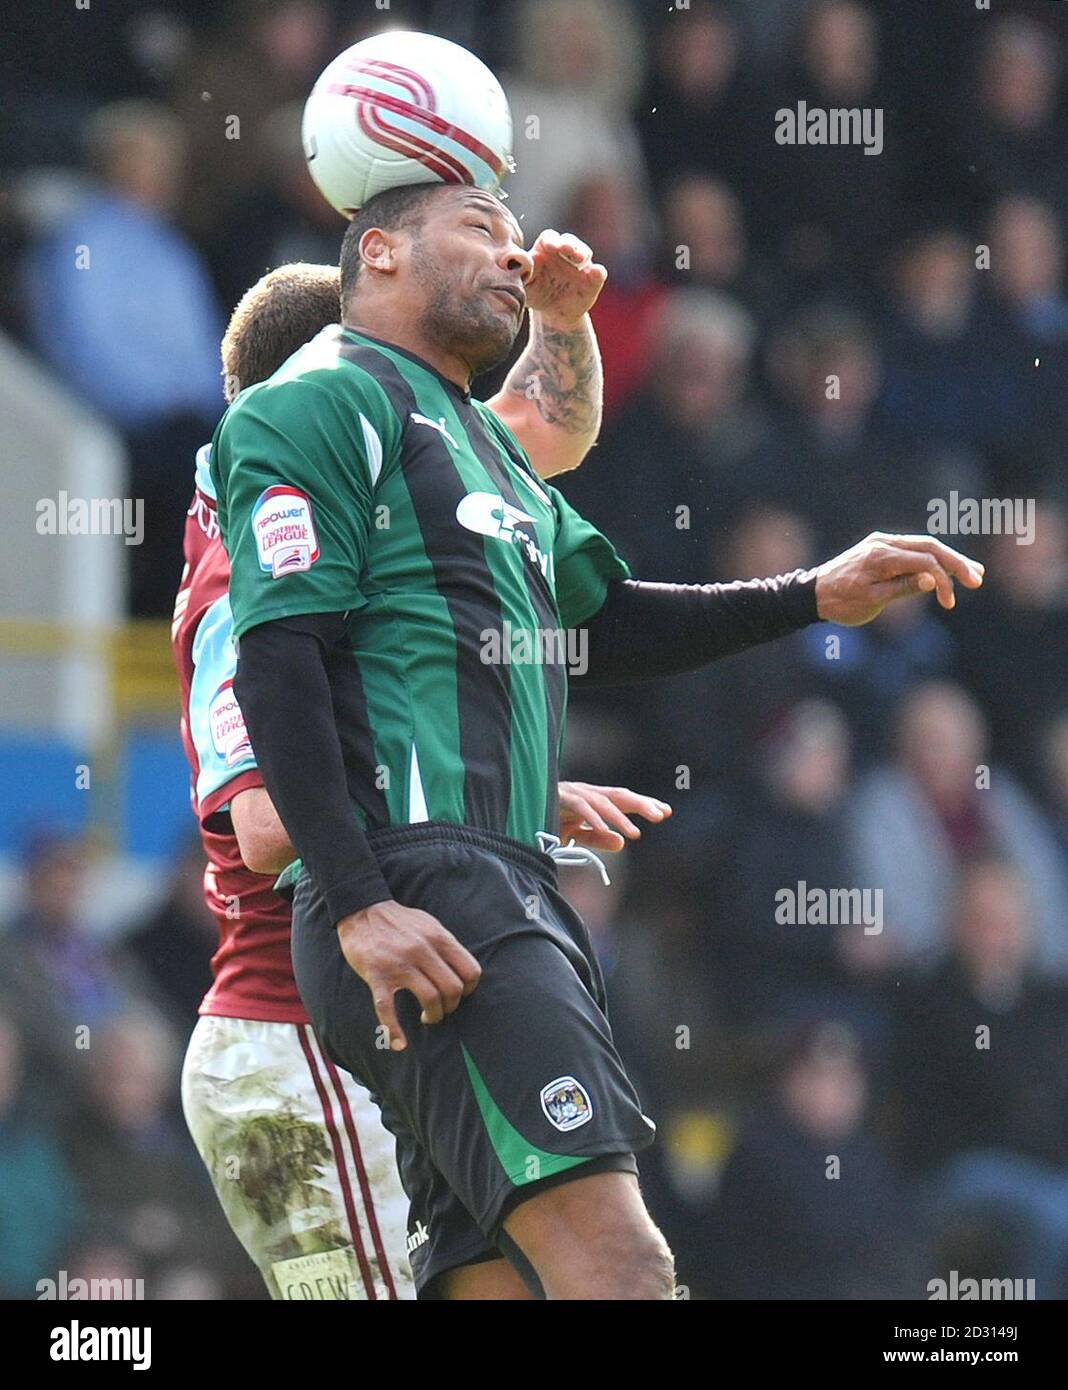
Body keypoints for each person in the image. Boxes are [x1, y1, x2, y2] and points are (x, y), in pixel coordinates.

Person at [210, 182, 983, 1300]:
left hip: (495, 881)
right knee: (623, 1266)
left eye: (517, 242)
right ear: (377, 252)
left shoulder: (482, 444)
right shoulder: (320, 400)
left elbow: (600, 621)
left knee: (503, 1281)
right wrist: (364, 897)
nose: (511, 259)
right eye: (480, 229)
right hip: (429, 888)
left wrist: (814, 593)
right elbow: (278, 656)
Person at [177, 260, 670, 1300]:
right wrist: (419, 812)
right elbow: (266, 822)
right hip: (295, 1043)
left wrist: (494, 784)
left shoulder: (361, 496)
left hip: (374, 1024)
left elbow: (544, 431)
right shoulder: (246, 565)